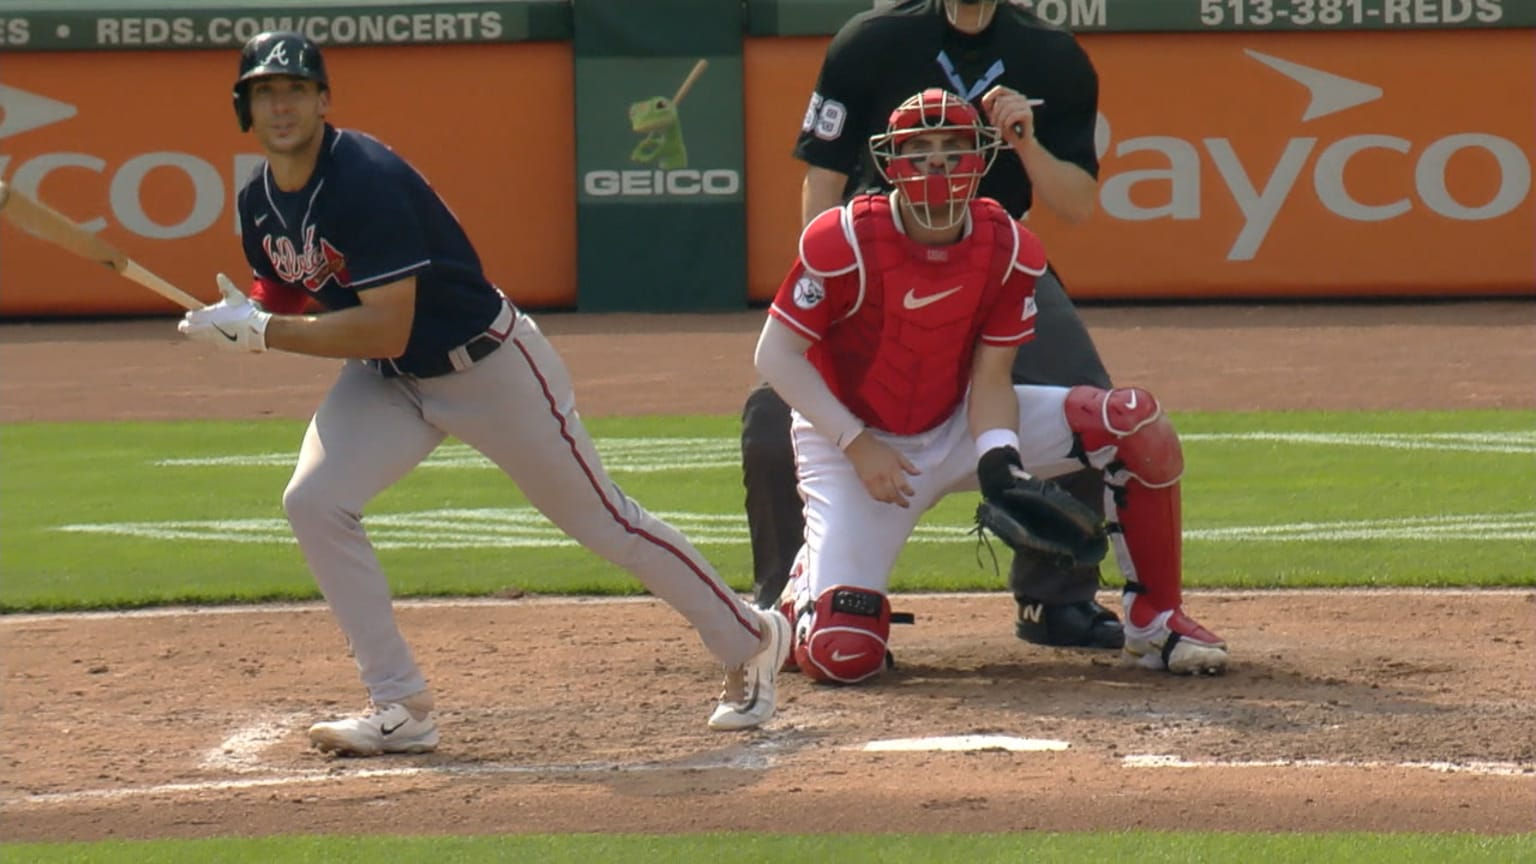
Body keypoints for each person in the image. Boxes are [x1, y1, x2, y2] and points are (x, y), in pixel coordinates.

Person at [177, 31, 790, 757]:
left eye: (295, 90)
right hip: (392, 382)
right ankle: (400, 704)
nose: (281, 105)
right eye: (264, 93)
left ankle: (752, 638)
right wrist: (239, 316)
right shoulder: (259, 201)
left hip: (487, 367)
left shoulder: (363, 177)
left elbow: (384, 325)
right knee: (313, 501)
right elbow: (284, 291)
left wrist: (264, 333)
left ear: (323, 100)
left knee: (605, 522)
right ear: (243, 108)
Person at [756, 87, 1227, 685]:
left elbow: (992, 375)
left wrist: (999, 459)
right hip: (855, 445)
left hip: (954, 420)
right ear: (891, 160)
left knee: (1133, 424)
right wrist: (856, 443)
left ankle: (1156, 622)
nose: (936, 163)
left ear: (980, 157)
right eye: (920, 148)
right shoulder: (842, 238)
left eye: (952, 148)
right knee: (842, 656)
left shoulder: (1006, 247)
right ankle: (805, 595)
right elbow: (775, 356)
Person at [742, 0, 1123, 649]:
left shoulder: (1050, 53)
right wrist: (825, 283)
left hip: (996, 256)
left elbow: (1078, 204)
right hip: (878, 251)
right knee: (778, 412)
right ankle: (786, 597)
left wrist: (1024, 140)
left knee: (1084, 395)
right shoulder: (873, 40)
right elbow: (825, 177)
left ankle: (1054, 597)